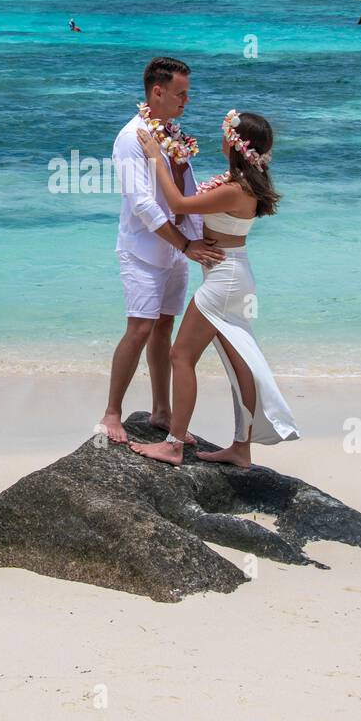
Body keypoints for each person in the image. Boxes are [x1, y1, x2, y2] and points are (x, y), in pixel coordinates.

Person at [129, 109, 299, 467]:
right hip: (232, 274)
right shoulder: (240, 183)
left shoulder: (236, 189)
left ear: (236, 143)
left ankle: (174, 444)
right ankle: (241, 448)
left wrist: (156, 158)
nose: (220, 137)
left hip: (224, 280)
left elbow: (178, 204)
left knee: (181, 355)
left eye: (226, 133)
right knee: (239, 361)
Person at [97, 58, 225, 445]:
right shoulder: (131, 138)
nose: (187, 99)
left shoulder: (170, 132)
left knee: (165, 326)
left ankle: (161, 409)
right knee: (139, 328)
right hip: (144, 249)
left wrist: (204, 235)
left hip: (175, 249)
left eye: (187, 93)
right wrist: (186, 244)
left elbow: (186, 187)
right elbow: (143, 205)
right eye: (181, 93)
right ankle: (111, 413)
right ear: (157, 92)